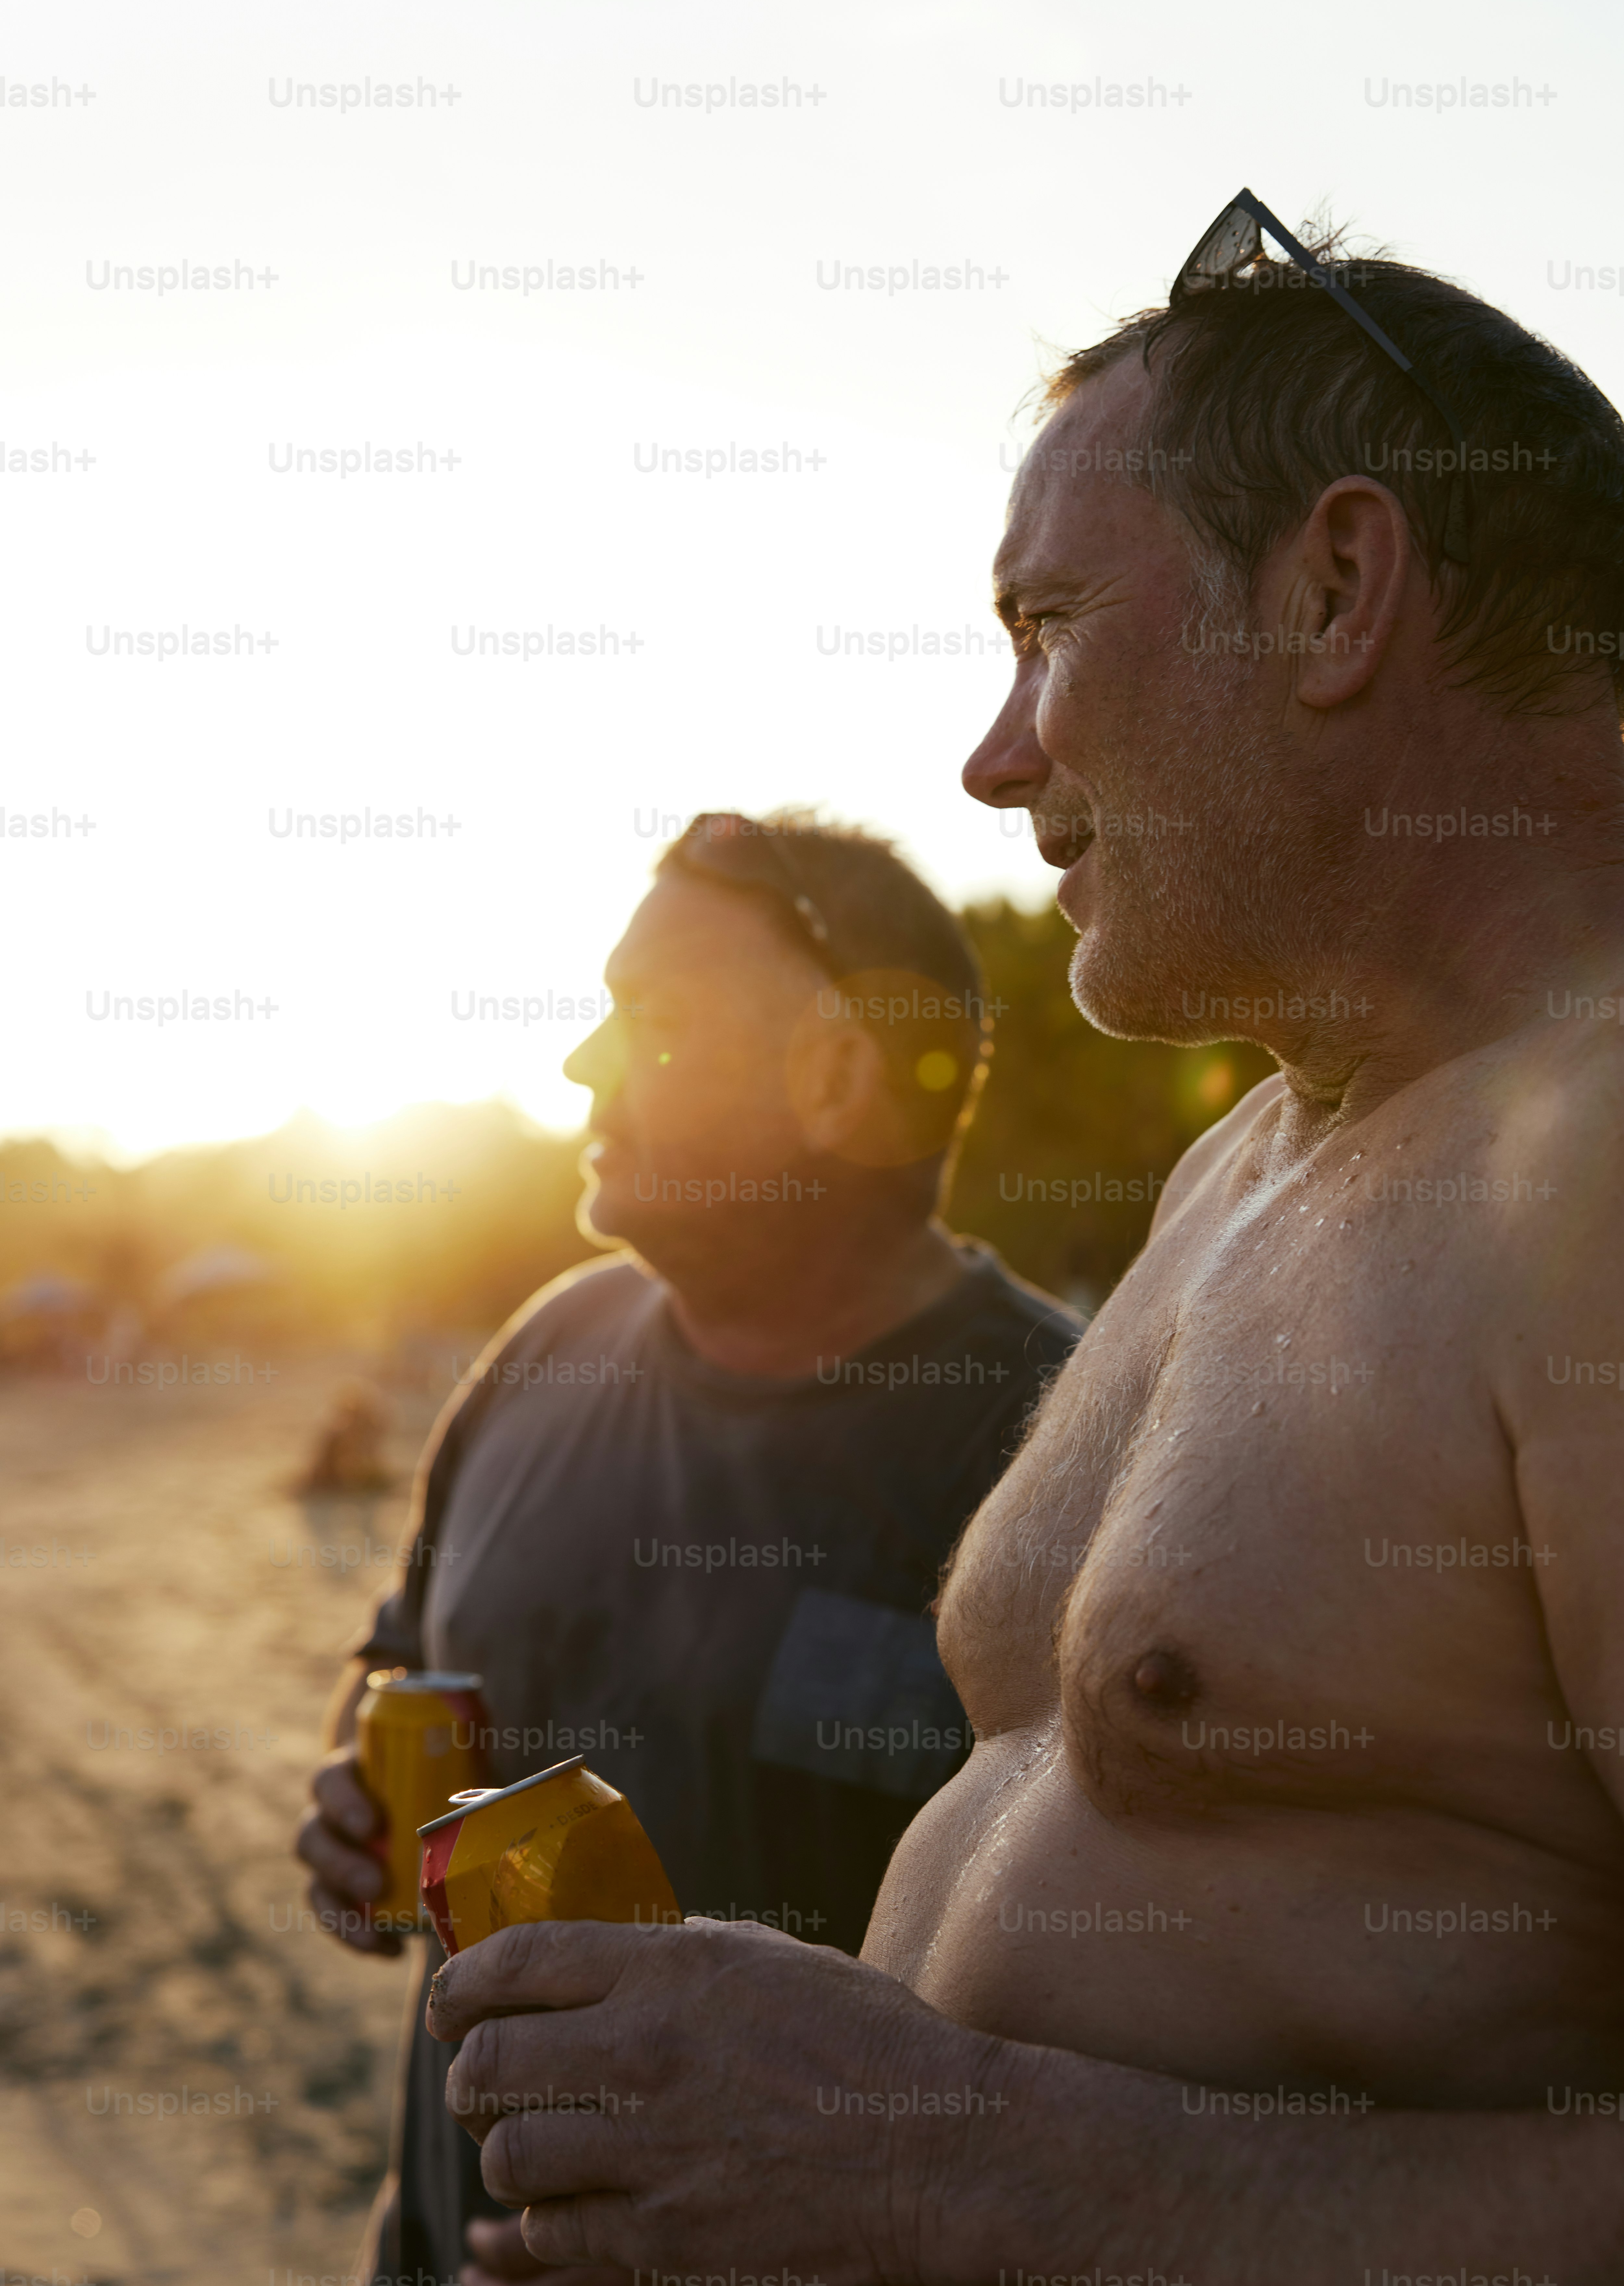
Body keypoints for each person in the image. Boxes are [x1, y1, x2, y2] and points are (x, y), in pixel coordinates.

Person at [426, 204, 1624, 2282]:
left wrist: (977, 2172)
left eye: (1050, 624)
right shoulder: (1246, 1162)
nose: (993, 761)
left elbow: (1037, 2158)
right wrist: (787, 2117)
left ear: (1335, 589)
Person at [294, 811, 1081, 2286]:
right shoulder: (548, 1348)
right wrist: (357, 1814)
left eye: (648, 1022)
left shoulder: (1070, 1454)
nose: (583, 1065)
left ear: (839, 1074)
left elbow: (1111, 2035)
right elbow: (403, 1660)